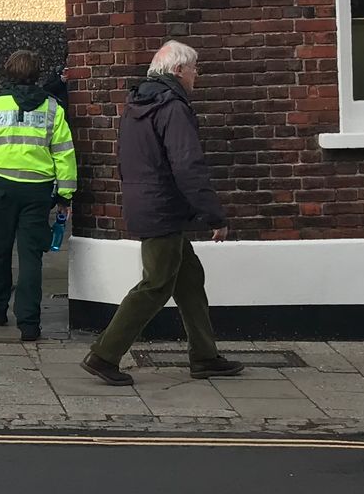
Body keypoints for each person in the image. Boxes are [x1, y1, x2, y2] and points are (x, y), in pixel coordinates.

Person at [81, 40, 244, 385]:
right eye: (194, 68)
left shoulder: (135, 104)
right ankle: (104, 355)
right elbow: (188, 164)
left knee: (189, 280)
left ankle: (205, 356)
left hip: (147, 202)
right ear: (177, 70)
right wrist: (213, 215)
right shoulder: (172, 107)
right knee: (156, 284)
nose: (196, 75)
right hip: (163, 209)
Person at [0, 49, 76, 340]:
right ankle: (29, 322)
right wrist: (65, 195)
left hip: (0, 188)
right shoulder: (53, 108)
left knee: (0, 249)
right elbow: (64, 153)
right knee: (31, 257)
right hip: (37, 192)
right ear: (37, 74)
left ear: (8, 71)